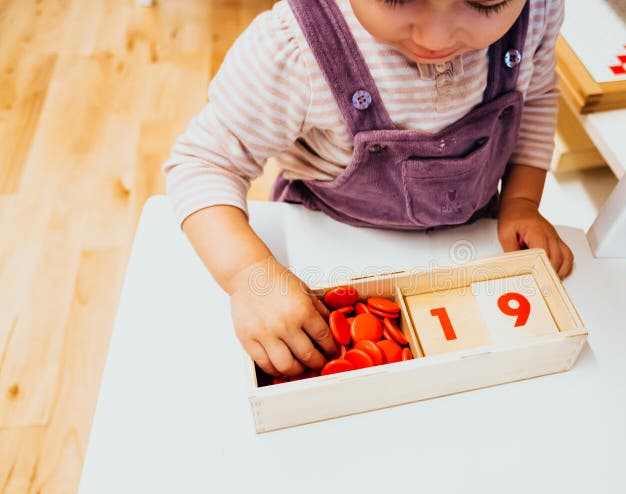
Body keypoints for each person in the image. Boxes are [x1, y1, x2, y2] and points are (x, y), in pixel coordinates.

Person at [164, 0, 573, 377]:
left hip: (470, 245)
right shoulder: (294, 47)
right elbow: (202, 162)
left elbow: (535, 97)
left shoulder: (536, 12)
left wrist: (521, 200)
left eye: (487, 1)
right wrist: (250, 277)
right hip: (325, 245)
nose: (437, 38)